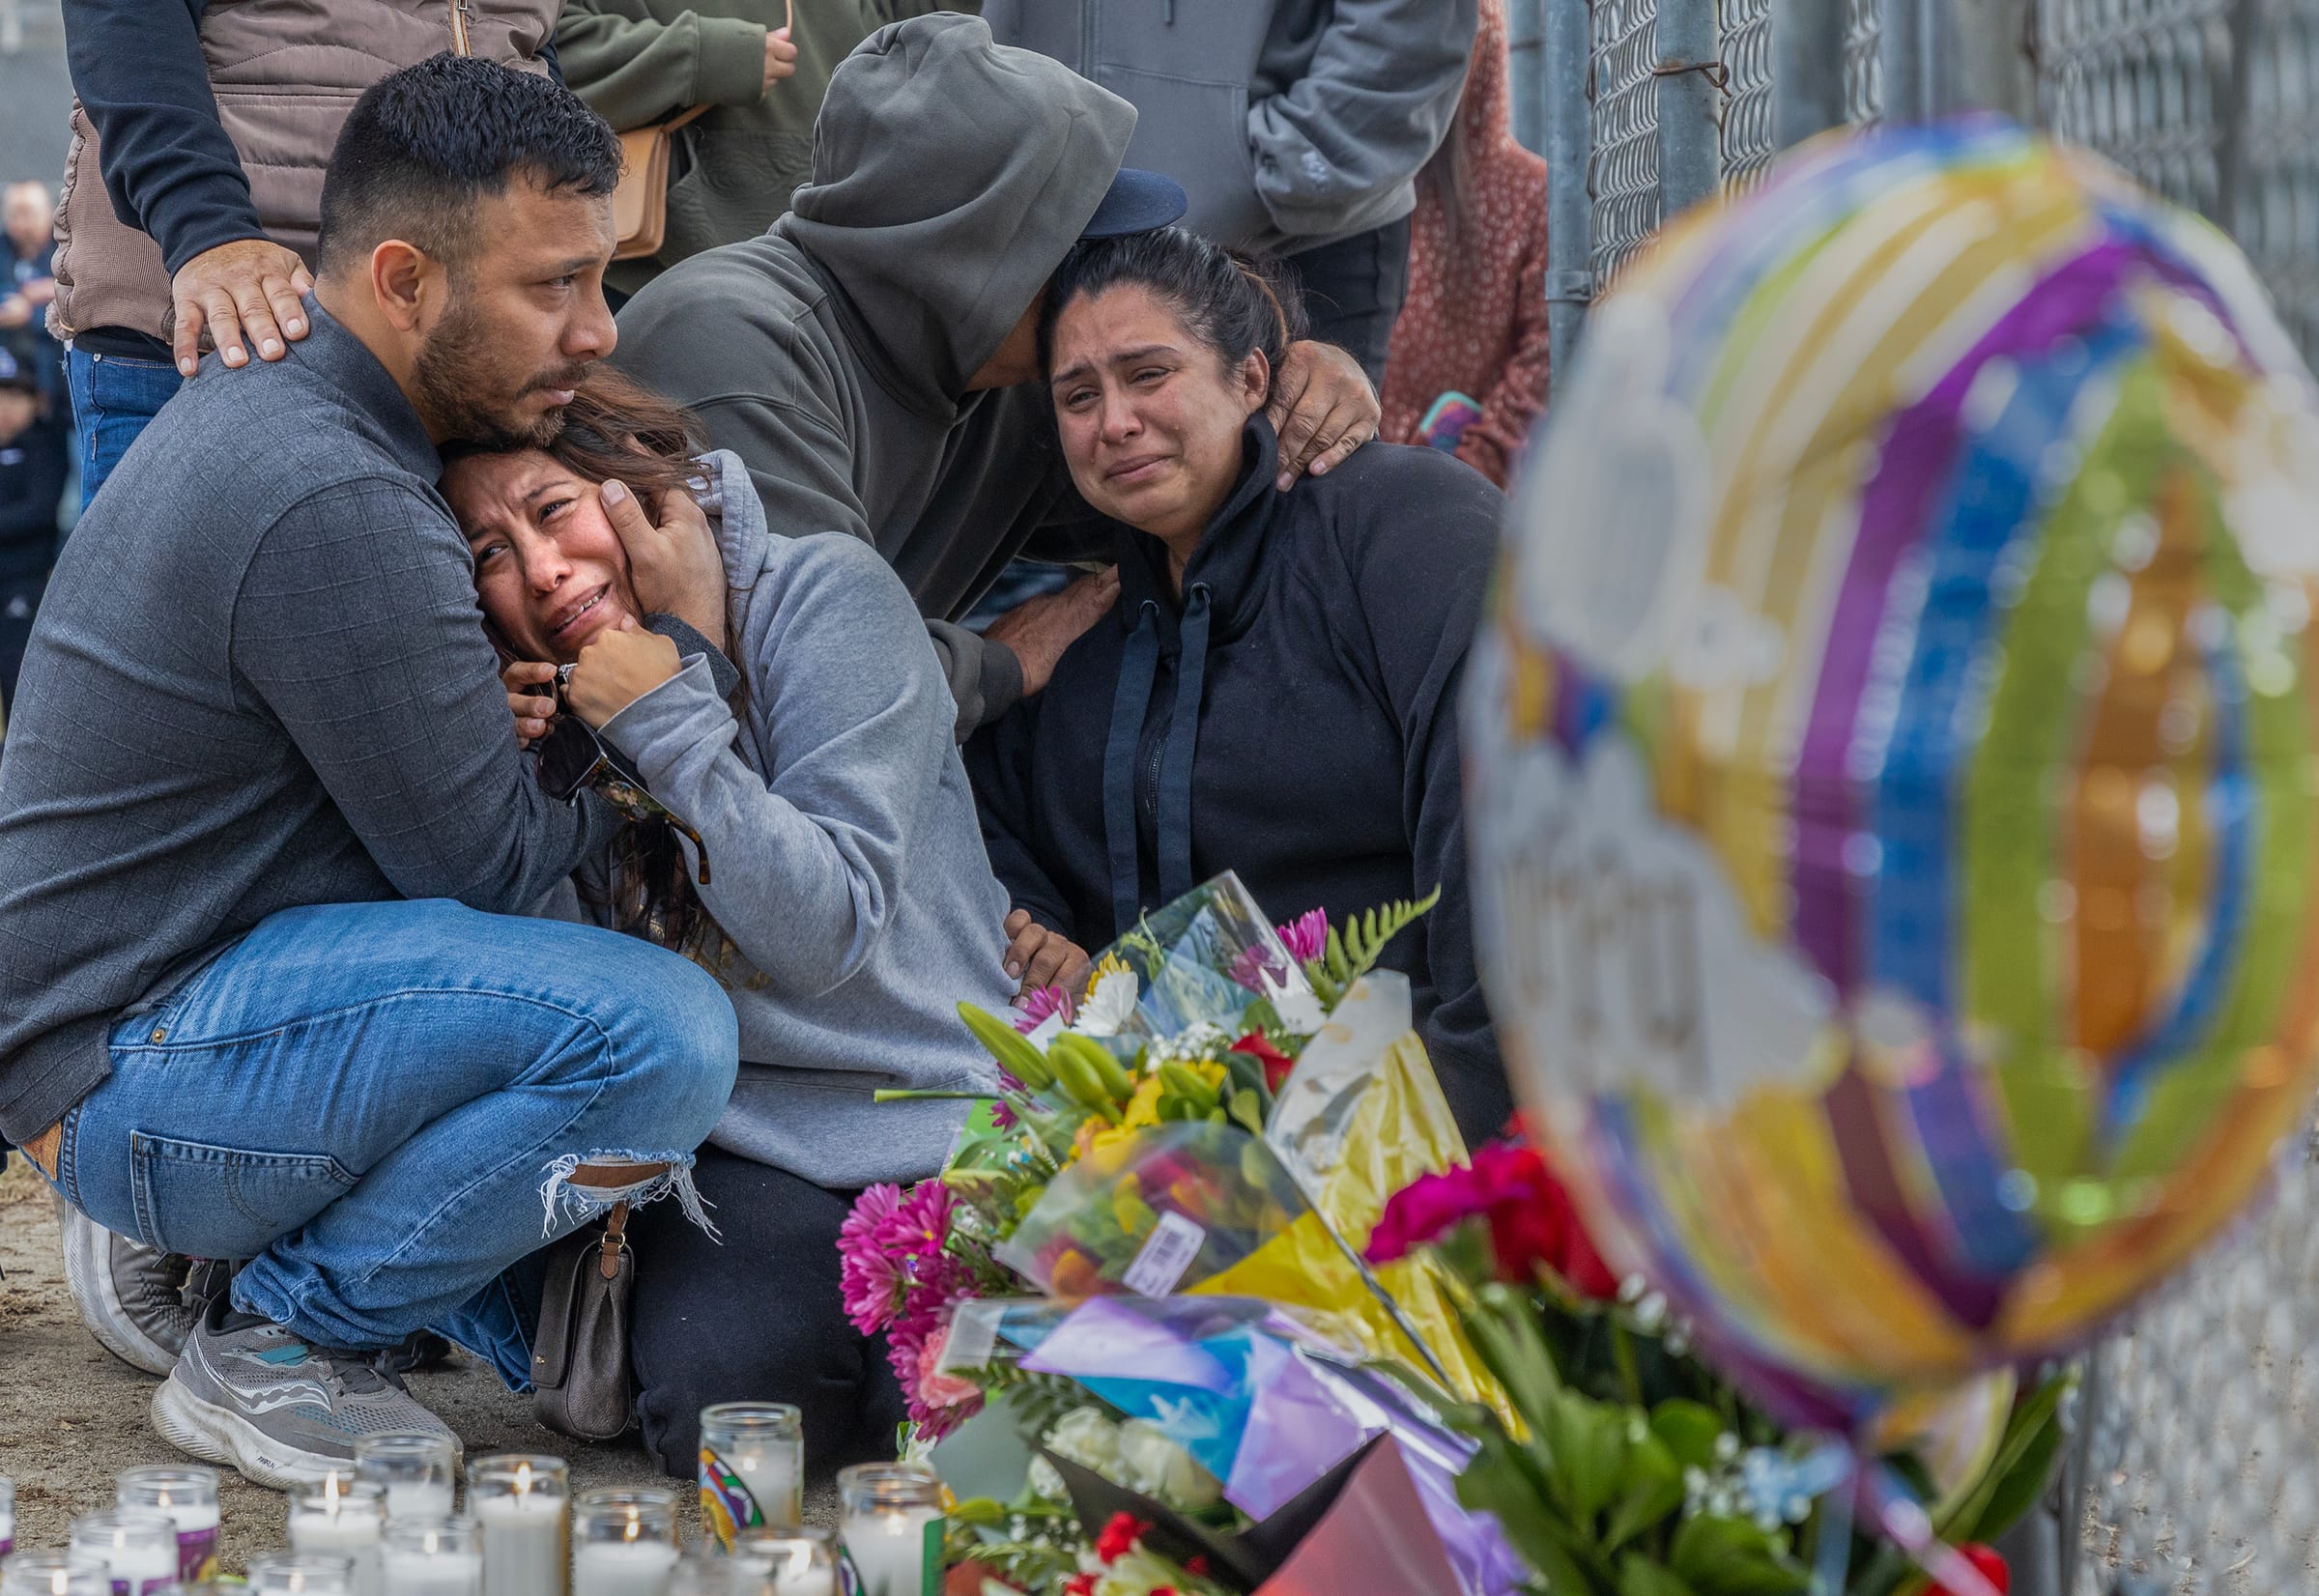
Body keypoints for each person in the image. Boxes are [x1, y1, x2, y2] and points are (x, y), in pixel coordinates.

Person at [0, 56, 738, 1488]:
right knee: (659, 1037)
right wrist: (680, 670)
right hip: (127, 1067)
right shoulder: (334, 485)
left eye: (601, 281)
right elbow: (497, 872)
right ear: (404, 278)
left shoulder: (314, 424)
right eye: (553, 286)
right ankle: (282, 1344)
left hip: (161, 1019)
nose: (596, 330)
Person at [446, 367, 1016, 1477]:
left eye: (552, 510)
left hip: (948, 1118)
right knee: (729, 1410)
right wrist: (523, 779)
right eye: (489, 554)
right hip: (748, 1148)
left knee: (1012, 1414)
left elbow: (820, 931)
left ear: (634, 490)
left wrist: (675, 702)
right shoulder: (548, 709)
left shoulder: (827, 598)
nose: (544, 569)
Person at [613, 14, 1384, 743]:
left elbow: (1204, 492)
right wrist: (1001, 664)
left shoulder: (992, 353)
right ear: (967, 248)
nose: (1099, 277)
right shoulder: (739, 349)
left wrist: (1290, 381)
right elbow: (811, 690)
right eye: (1074, 241)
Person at [965, 227, 1511, 1143]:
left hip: (1435, 1124)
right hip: (1182, 1138)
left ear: (1253, 379)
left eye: (1149, 374)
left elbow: (1504, 828)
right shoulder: (1092, 630)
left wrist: (1469, 1141)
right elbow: (979, 801)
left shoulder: (1405, 529)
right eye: (1078, 395)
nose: (1115, 422)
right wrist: (1043, 925)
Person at [54, 0, 560, 506]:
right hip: (215, 330)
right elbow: (124, 19)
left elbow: (523, 35)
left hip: (464, 350)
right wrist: (206, 227)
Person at [985, 0, 1476, 385]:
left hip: (1288, 240)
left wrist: (1294, 161)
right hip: (1043, 237)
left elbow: (1411, 23)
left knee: (1290, 504)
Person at [557, 0, 955, 297]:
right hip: (666, 273)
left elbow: (916, 21)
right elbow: (530, 55)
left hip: (841, 259)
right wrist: (703, 56)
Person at [1378, 0, 1551, 489]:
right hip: (1353, 465)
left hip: (1474, 488)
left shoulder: (1531, 191)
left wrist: (1469, 471)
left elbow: (1541, 358)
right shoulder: (1364, 186)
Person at [0, 341, 70, 724]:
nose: (5, 408)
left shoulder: (43, 443)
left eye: (15, 396)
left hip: (22, 587)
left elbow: (39, 511)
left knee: (22, 688)